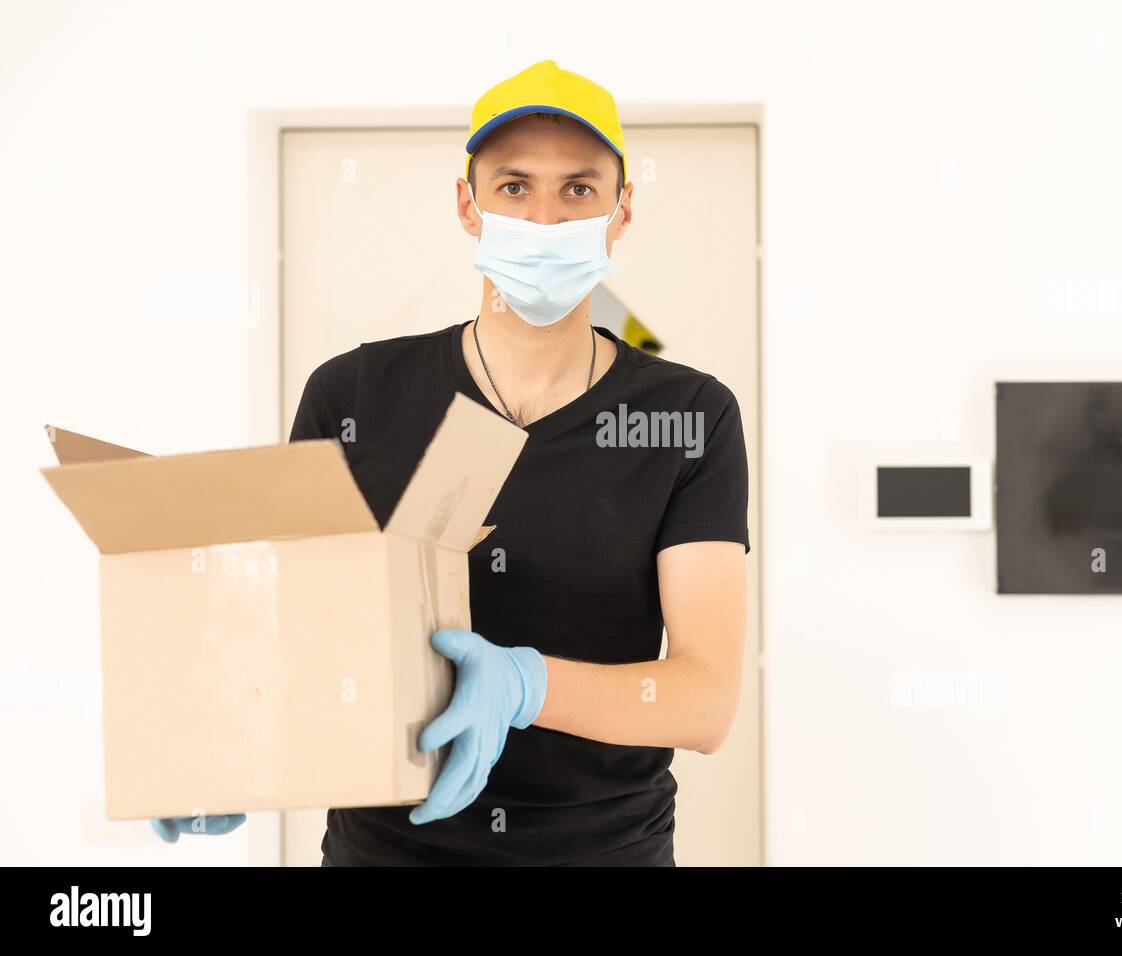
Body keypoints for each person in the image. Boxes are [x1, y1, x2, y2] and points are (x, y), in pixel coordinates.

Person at [152, 59, 750, 866]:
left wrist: (526, 684)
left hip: (606, 852)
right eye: (513, 187)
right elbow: (288, 630)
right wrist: (229, 753)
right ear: (467, 204)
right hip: (384, 851)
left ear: (623, 209)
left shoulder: (688, 416)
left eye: (579, 189)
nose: (544, 217)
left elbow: (705, 700)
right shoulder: (355, 394)